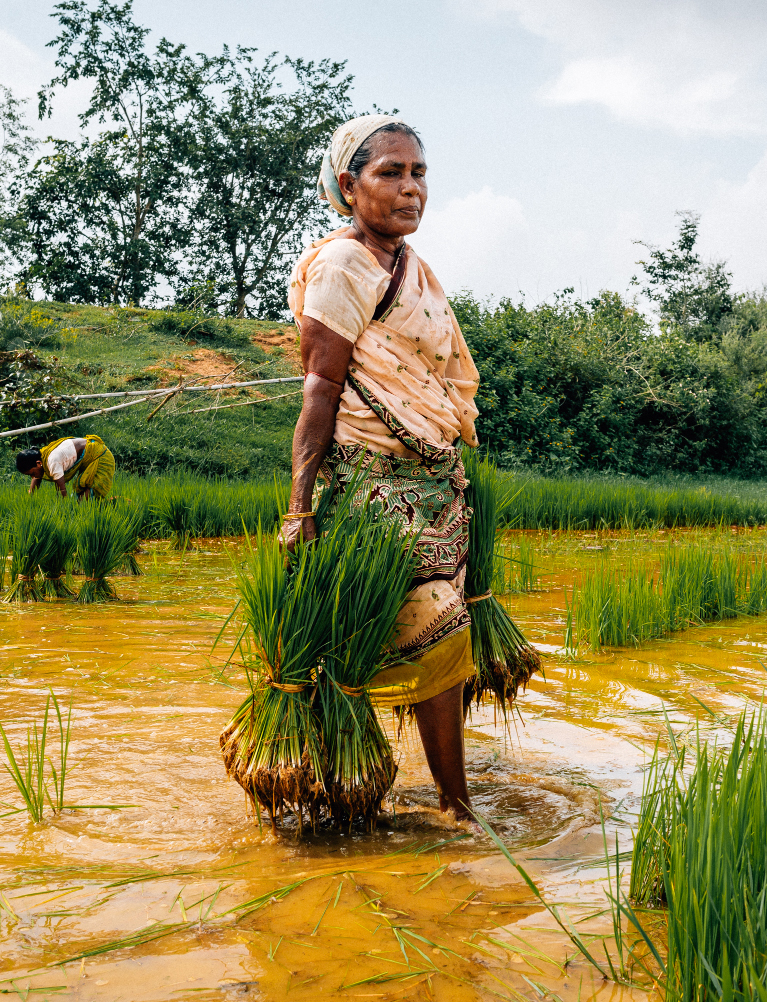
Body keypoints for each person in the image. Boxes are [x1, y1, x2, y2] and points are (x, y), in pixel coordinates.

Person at [281, 115, 482, 823]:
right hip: (372, 481)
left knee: (430, 638)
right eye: (389, 173)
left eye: (418, 172)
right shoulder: (342, 266)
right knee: (438, 627)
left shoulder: (414, 270)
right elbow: (320, 386)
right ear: (348, 185)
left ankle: (410, 795)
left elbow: (439, 379)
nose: (410, 188)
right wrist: (299, 506)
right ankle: (452, 807)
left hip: (434, 482)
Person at [15, 435, 115, 500]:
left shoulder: (52, 460)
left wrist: (64, 512)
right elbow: (37, 478)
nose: (33, 477)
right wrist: (29, 499)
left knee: (88, 496)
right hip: (89, 455)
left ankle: (117, 503)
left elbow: (62, 492)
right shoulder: (41, 457)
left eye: (31, 473)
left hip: (99, 455)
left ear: (38, 463)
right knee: (79, 497)